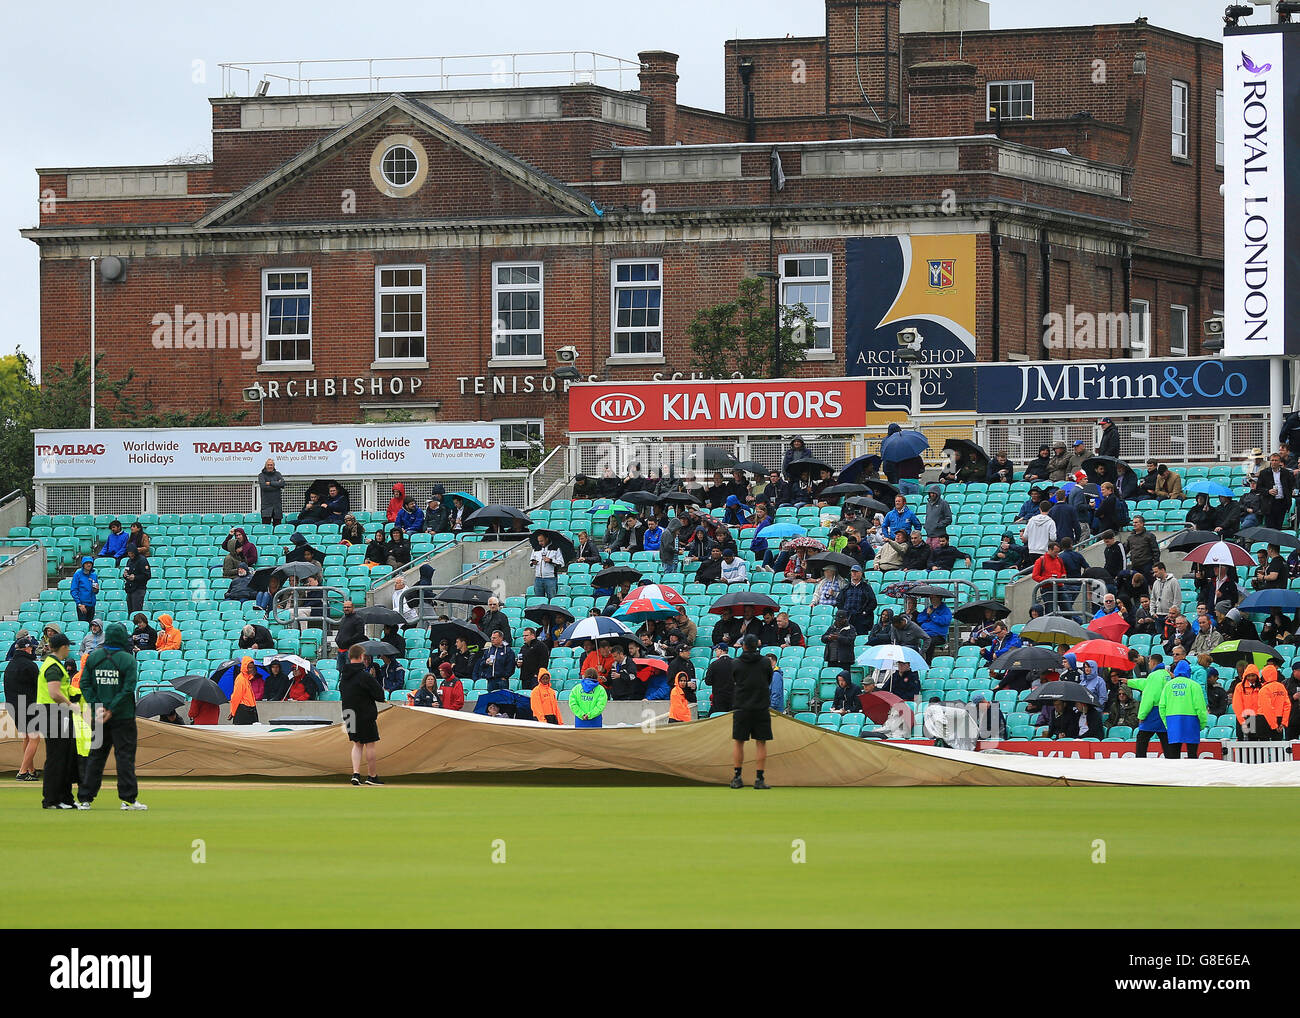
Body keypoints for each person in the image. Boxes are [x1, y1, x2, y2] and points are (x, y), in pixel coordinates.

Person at [76, 621, 145, 810]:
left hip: (98, 716)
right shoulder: (128, 659)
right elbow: (128, 688)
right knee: (125, 757)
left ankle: (85, 799)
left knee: (95, 757)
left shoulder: (93, 657)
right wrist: (111, 709)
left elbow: (84, 684)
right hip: (123, 716)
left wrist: (97, 707)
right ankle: (128, 800)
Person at [37, 633, 78, 809]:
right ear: (63, 647)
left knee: (63, 756)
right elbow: (54, 693)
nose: (69, 649)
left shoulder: (54, 665)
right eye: (68, 646)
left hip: (55, 713)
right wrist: (71, 705)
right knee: (57, 757)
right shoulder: (53, 667)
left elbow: (62, 690)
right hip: (54, 713)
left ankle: (64, 798)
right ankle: (52, 799)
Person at [729, 634, 774, 789]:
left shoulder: (736, 663)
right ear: (757, 645)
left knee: (739, 741)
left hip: (741, 706)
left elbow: (734, 679)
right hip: (761, 706)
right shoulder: (765, 662)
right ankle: (759, 779)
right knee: (761, 742)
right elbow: (768, 679)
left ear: (744, 646)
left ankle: (737, 777)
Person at [340, 644, 385, 784]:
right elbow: (379, 694)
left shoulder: (343, 677)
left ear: (349, 656)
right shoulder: (364, 676)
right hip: (365, 713)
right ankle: (372, 776)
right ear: (361, 657)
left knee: (357, 744)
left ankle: (356, 774)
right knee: (370, 744)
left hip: (348, 713)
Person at [3, 635, 41, 781]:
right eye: (31, 648)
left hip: (13, 705)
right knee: (34, 738)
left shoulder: (9, 665)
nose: (32, 650)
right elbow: (38, 686)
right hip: (28, 705)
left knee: (26, 737)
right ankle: (22, 771)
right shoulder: (30, 666)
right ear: (27, 649)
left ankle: (31, 770)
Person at [1158, 660, 1209, 758]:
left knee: (1173, 756)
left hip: (1173, 721)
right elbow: (1200, 707)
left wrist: (1167, 723)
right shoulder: (1194, 685)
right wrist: (1202, 724)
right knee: (1192, 754)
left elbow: (1162, 706)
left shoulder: (1168, 685)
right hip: (1191, 721)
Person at [1127, 655, 1170, 758]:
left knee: (1142, 738)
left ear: (1153, 662)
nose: (1149, 664)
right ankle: (1171, 760)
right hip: (1164, 711)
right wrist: (1129, 682)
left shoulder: (1154, 675)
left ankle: (1140, 761)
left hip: (1153, 712)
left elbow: (1149, 697)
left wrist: (1142, 715)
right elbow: (1146, 683)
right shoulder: (1166, 674)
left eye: (1150, 662)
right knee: (1165, 739)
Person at [530, 532, 566, 598]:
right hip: (538, 578)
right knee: (538, 599)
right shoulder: (535, 549)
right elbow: (531, 562)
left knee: (552, 598)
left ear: (546, 539)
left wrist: (551, 561)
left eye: (542, 541)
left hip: (550, 578)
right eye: (539, 541)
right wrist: (533, 562)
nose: (540, 543)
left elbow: (561, 563)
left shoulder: (556, 549)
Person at [228, 657, 260, 725]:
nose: (251, 669)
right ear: (244, 667)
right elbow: (236, 697)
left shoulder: (246, 679)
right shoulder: (241, 679)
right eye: (249, 667)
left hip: (249, 708)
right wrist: (233, 712)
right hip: (243, 710)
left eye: (252, 667)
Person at [69, 556, 99, 624]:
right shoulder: (77, 575)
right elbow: (73, 590)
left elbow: (96, 592)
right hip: (82, 605)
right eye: (86, 563)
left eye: (90, 563)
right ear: (83, 564)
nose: (89, 565)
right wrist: (79, 604)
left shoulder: (94, 575)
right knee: (83, 624)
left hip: (92, 605)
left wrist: (96, 590)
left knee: (91, 625)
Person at [122, 544, 151, 614]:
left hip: (139, 589)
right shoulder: (129, 561)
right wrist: (125, 575)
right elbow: (127, 571)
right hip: (130, 589)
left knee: (136, 611)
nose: (130, 555)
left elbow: (147, 575)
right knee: (130, 611)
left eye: (132, 553)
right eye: (129, 553)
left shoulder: (142, 560)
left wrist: (135, 577)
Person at [258, 458, 285, 525]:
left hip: (277, 507)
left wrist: (270, 483)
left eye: (271, 465)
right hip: (266, 507)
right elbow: (264, 487)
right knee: (266, 527)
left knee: (278, 527)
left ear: (274, 466)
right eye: (268, 465)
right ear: (265, 466)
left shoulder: (278, 474)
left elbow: (282, 484)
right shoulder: (261, 475)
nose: (270, 466)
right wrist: (277, 485)